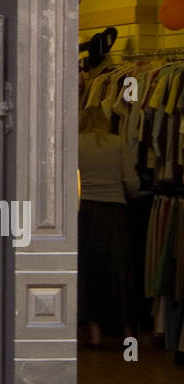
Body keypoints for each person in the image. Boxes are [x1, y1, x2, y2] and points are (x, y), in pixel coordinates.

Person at [78, 104, 139, 347]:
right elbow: (130, 182)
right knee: (119, 272)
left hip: (86, 211)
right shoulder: (118, 142)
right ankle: (127, 332)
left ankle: (94, 332)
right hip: (115, 212)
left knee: (91, 271)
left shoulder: (76, 143)